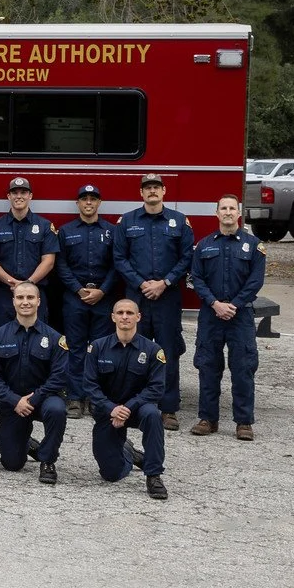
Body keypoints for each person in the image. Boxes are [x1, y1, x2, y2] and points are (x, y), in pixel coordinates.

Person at [114, 173, 194, 430]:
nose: (152, 191)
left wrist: (165, 282)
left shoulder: (179, 221)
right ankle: (134, 406)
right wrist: (141, 283)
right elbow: (119, 258)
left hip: (167, 297)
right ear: (141, 193)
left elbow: (186, 258)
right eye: (147, 188)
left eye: (156, 187)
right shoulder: (127, 221)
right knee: (133, 349)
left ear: (164, 191)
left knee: (167, 352)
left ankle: (168, 409)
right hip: (136, 297)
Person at [190, 196, 265, 441]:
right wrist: (215, 303)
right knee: (208, 367)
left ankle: (243, 422)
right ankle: (207, 419)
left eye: (232, 208)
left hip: (240, 315)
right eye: (224, 208)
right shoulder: (203, 246)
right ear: (217, 213)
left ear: (239, 213)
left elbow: (256, 281)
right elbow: (196, 279)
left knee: (243, 369)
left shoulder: (254, 246)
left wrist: (233, 305)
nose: (228, 212)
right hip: (211, 315)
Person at [79, 297, 170, 499]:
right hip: (108, 411)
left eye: (130, 313)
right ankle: (129, 453)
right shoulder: (97, 347)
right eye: (120, 313)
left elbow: (156, 388)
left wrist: (128, 407)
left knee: (153, 415)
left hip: (138, 409)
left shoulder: (153, 351)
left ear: (138, 317)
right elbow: (89, 385)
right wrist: (111, 408)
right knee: (110, 474)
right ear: (113, 317)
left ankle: (153, 474)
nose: (125, 316)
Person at [0, 280, 69, 484]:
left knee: (57, 410)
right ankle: (26, 443)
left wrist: (33, 399)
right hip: (12, 404)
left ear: (39, 301)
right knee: (12, 464)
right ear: (13, 301)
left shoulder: (55, 338)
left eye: (30, 297)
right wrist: (14, 400)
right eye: (20, 297)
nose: (25, 302)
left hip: (44, 400)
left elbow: (59, 377)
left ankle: (47, 460)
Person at [56, 185, 121, 418]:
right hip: (75, 299)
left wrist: (102, 291)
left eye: (93, 199)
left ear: (99, 203)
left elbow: (117, 265)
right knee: (75, 349)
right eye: (84, 199)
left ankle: (97, 399)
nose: (89, 203)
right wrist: (77, 289)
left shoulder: (113, 231)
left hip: (104, 299)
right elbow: (60, 265)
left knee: (100, 350)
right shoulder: (65, 231)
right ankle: (74, 398)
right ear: (78, 204)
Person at [0, 177, 59, 336]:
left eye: (23, 192)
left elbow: (49, 261)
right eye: (15, 193)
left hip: (35, 292)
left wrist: (28, 283)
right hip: (4, 293)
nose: (19, 196)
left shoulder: (44, 226)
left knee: (37, 338)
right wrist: (11, 282)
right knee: (2, 338)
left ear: (30, 196)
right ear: (8, 197)